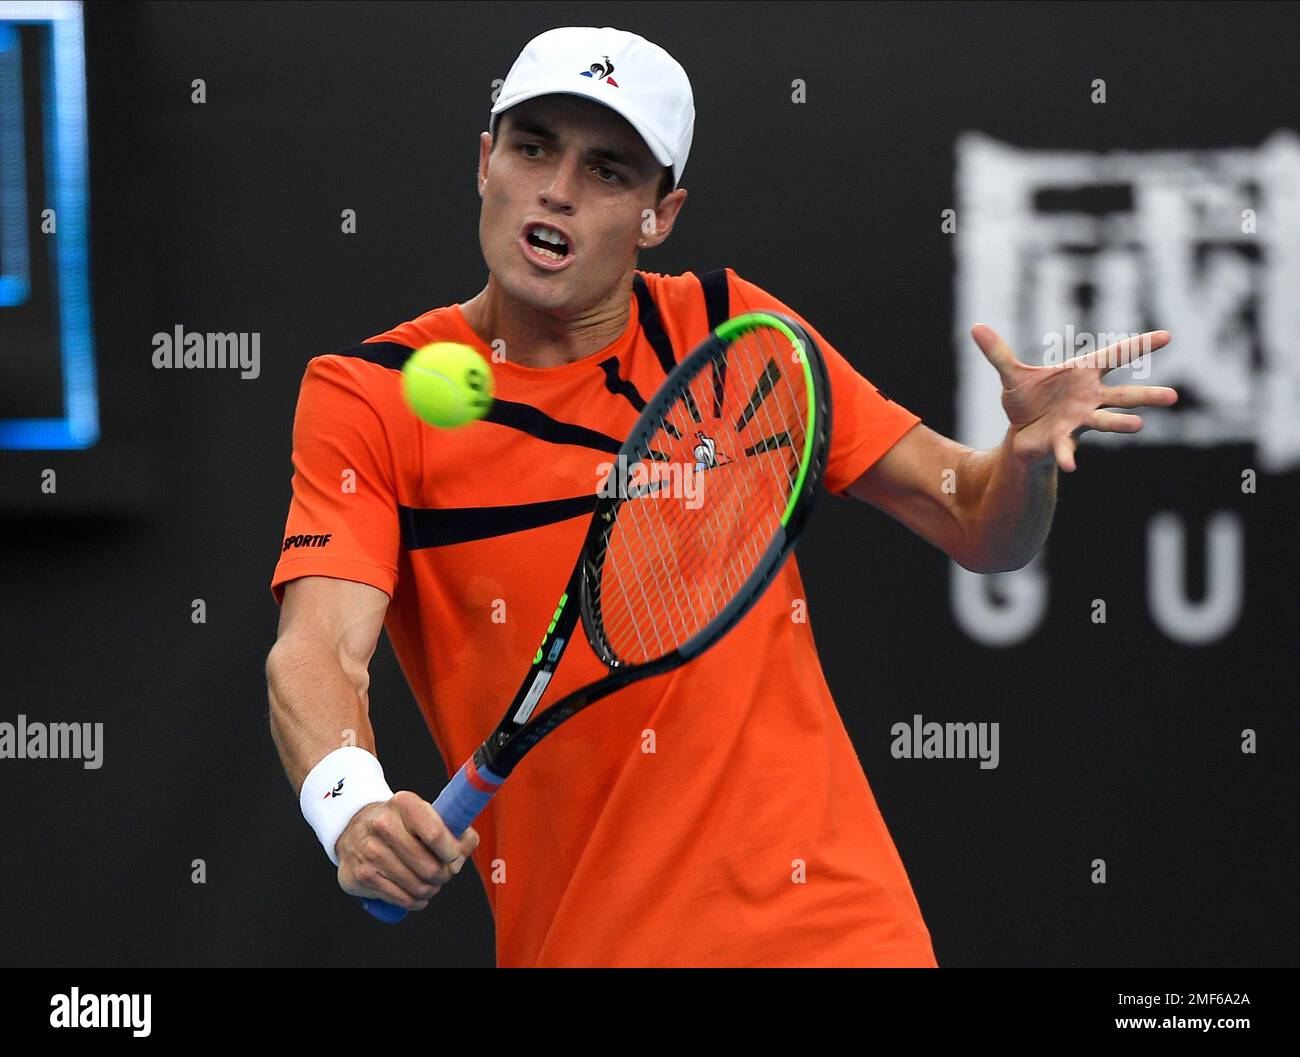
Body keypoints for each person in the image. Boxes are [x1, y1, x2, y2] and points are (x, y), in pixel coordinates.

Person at [266, 26, 1177, 967]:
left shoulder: (738, 337)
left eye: (610, 171)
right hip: (584, 943)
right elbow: (319, 647)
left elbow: (977, 522)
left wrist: (1022, 457)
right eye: (533, 146)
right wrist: (351, 804)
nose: (559, 189)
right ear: (485, 161)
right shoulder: (368, 394)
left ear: (660, 214)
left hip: (836, 931)